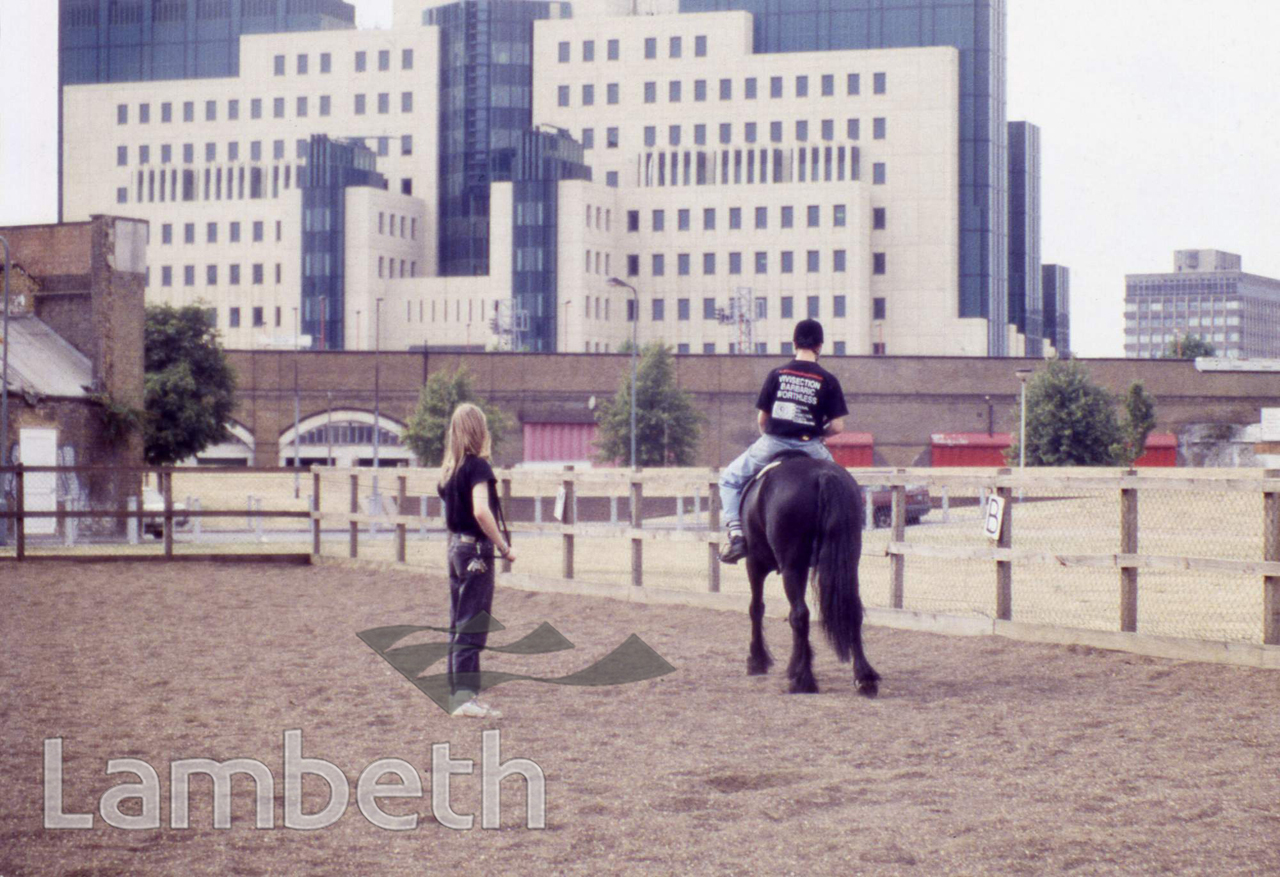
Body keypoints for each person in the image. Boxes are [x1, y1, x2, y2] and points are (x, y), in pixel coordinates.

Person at [718, 319, 848, 564]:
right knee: (842, 485)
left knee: (730, 479)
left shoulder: (777, 374)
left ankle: (736, 537)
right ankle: (846, 534)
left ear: (794, 343)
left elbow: (762, 420)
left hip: (773, 443)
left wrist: (772, 435)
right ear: (820, 346)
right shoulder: (828, 379)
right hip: (810, 445)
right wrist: (820, 434)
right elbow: (838, 427)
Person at [436, 403, 516, 718]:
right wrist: (504, 546)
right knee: (472, 623)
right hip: (477, 552)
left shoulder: (450, 472)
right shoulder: (478, 468)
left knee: (458, 622)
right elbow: (481, 511)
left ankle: (460, 693)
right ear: (479, 430)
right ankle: (465, 698)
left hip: (456, 549)